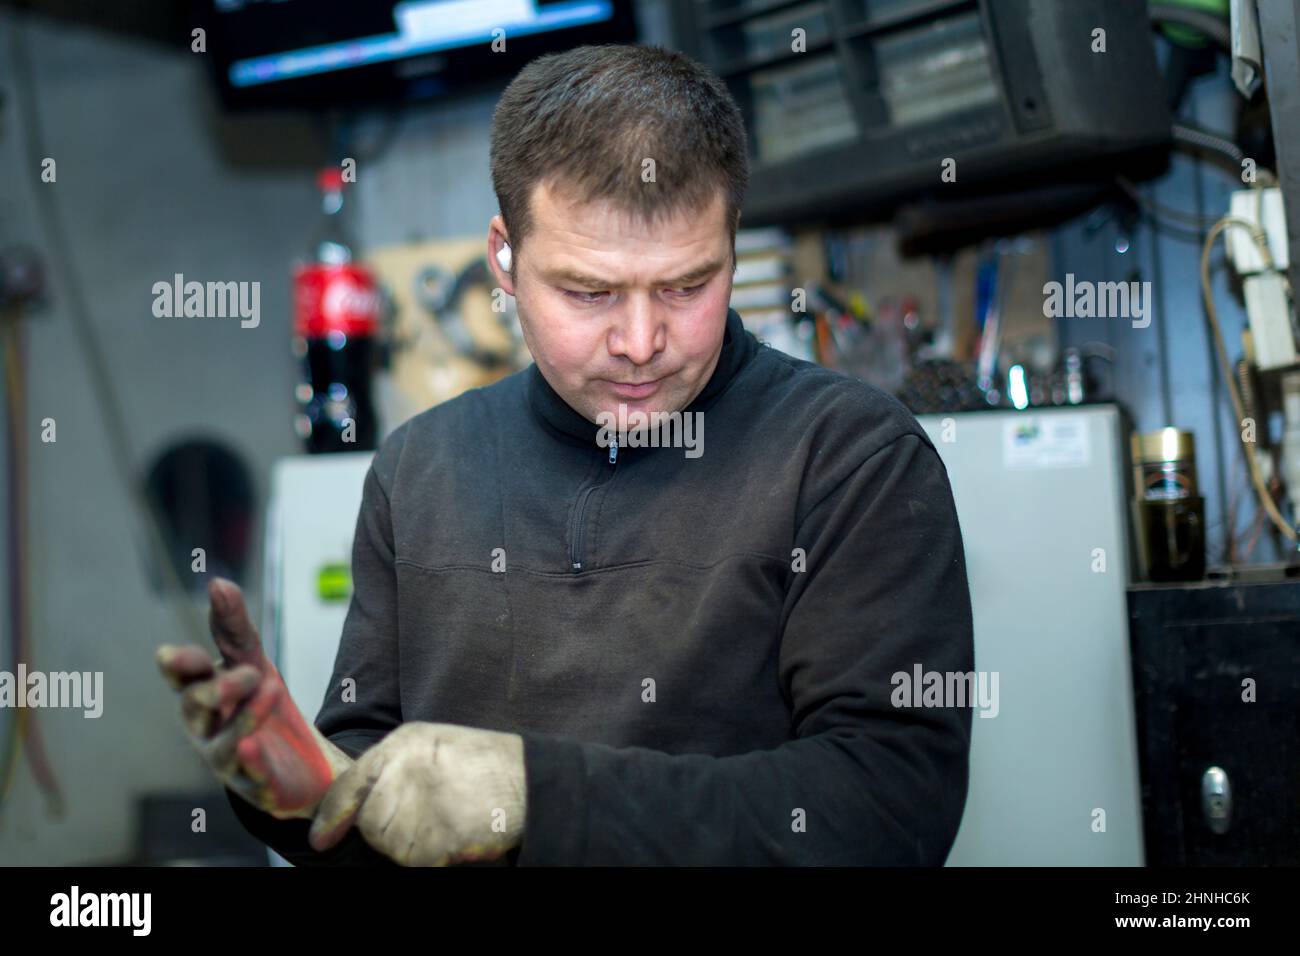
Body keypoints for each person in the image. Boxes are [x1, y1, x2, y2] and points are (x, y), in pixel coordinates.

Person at [157, 43, 974, 866]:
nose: (642, 343)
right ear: (503, 259)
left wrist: (534, 795)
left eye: (688, 286)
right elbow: (374, 798)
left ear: (732, 245)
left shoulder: (851, 459)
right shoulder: (419, 469)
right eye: (589, 293)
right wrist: (299, 800)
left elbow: (888, 809)